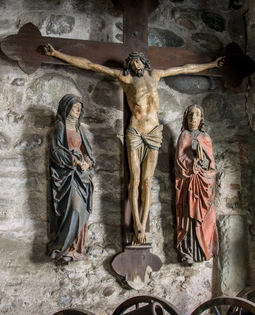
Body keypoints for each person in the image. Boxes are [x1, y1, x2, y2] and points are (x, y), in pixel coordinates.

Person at [40, 44, 223, 245]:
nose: (136, 64)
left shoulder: (156, 75)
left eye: (138, 60)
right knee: (134, 181)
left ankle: (143, 225)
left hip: (154, 133)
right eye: (132, 62)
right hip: (135, 132)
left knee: (147, 182)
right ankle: (136, 225)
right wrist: (57, 53)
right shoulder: (126, 80)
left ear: (145, 62)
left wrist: (212, 64)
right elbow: (91, 65)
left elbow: (184, 68)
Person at [47, 95, 95, 262]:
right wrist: (73, 159)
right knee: (73, 208)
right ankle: (63, 247)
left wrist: (87, 163)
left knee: (82, 211)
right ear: (66, 107)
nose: (78, 110)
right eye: (75, 107)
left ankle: (76, 248)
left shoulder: (80, 130)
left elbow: (88, 153)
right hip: (68, 175)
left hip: (82, 176)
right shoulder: (60, 127)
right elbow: (56, 151)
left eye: (80, 108)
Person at [174, 105, 218, 263]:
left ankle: (202, 250)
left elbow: (211, 166)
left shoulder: (205, 138)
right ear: (186, 118)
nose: (193, 118)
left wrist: (203, 162)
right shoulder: (184, 136)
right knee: (188, 217)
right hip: (188, 184)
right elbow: (179, 161)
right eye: (191, 115)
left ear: (201, 119)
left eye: (197, 115)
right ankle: (187, 252)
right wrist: (194, 161)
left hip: (203, 184)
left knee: (204, 217)